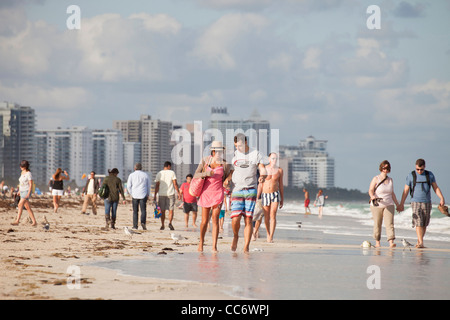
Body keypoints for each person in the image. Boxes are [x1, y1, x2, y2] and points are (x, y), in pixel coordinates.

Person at [226, 133, 267, 253]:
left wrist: (263, 176)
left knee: (248, 219)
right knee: (235, 218)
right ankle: (235, 236)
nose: (238, 148)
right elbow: (232, 171)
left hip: (251, 189)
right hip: (237, 189)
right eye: (236, 146)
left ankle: (246, 246)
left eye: (240, 145)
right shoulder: (234, 155)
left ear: (246, 142)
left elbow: (262, 167)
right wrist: (227, 179)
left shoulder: (255, 153)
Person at [398, 159, 445, 248]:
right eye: (417, 169)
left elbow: (436, 188)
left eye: (421, 169)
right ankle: (421, 242)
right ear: (415, 167)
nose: (419, 171)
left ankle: (419, 241)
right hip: (415, 202)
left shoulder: (429, 175)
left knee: (424, 223)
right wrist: (401, 204)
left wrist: (441, 198)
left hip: (427, 202)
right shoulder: (411, 175)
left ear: (424, 167)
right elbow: (406, 191)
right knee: (418, 222)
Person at [195, 141, 232, 252]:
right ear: (213, 151)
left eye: (222, 151)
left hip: (218, 193)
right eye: (218, 151)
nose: (220, 153)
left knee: (215, 219)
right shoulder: (205, 160)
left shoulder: (225, 164)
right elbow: (196, 174)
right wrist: (207, 174)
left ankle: (214, 246)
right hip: (206, 193)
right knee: (204, 221)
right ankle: (201, 243)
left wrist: (227, 180)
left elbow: (229, 176)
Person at [368, 160, 400, 248]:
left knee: (390, 223)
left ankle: (391, 242)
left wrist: (398, 204)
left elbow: (392, 193)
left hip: (389, 204)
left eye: (387, 168)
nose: (385, 170)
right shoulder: (376, 178)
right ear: (381, 168)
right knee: (378, 223)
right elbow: (370, 190)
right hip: (377, 204)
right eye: (384, 168)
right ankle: (377, 242)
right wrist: (373, 196)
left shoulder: (390, 180)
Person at [258, 152, 284, 243]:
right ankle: (268, 233)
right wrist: (258, 197)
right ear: (269, 159)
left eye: (276, 158)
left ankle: (271, 236)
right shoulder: (264, 169)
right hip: (265, 194)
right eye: (273, 158)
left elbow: (280, 185)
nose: (274, 160)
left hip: (275, 194)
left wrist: (282, 199)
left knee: (273, 214)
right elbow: (260, 184)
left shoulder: (280, 170)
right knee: (266, 216)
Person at [154, 161, 181, 230]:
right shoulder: (172, 172)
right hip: (170, 194)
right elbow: (175, 183)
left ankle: (162, 225)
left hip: (161, 194)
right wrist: (178, 192)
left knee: (162, 210)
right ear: (169, 166)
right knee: (171, 210)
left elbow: (157, 185)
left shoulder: (159, 173)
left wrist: (155, 195)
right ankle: (170, 223)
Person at [12, 160, 37, 226]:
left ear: (25, 166)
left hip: (26, 191)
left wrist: (28, 193)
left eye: (22, 166)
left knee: (20, 204)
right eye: (20, 166)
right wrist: (19, 191)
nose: (20, 167)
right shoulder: (22, 172)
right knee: (28, 207)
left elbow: (30, 184)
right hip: (22, 191)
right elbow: (21, 183)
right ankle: (34, 222)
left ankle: (17, 221)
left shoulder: (29, 174)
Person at [127, 163, 151, 230]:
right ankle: (143, 223)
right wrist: (148, 194)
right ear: (141, 168)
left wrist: (131, 193)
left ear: (135, 168)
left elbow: (129, 186)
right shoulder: (145, 175)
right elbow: (148, 185)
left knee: (135, 211)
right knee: (143, 210)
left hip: (134, 195)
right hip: (143, 194)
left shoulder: (131, 175)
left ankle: (135, 225)